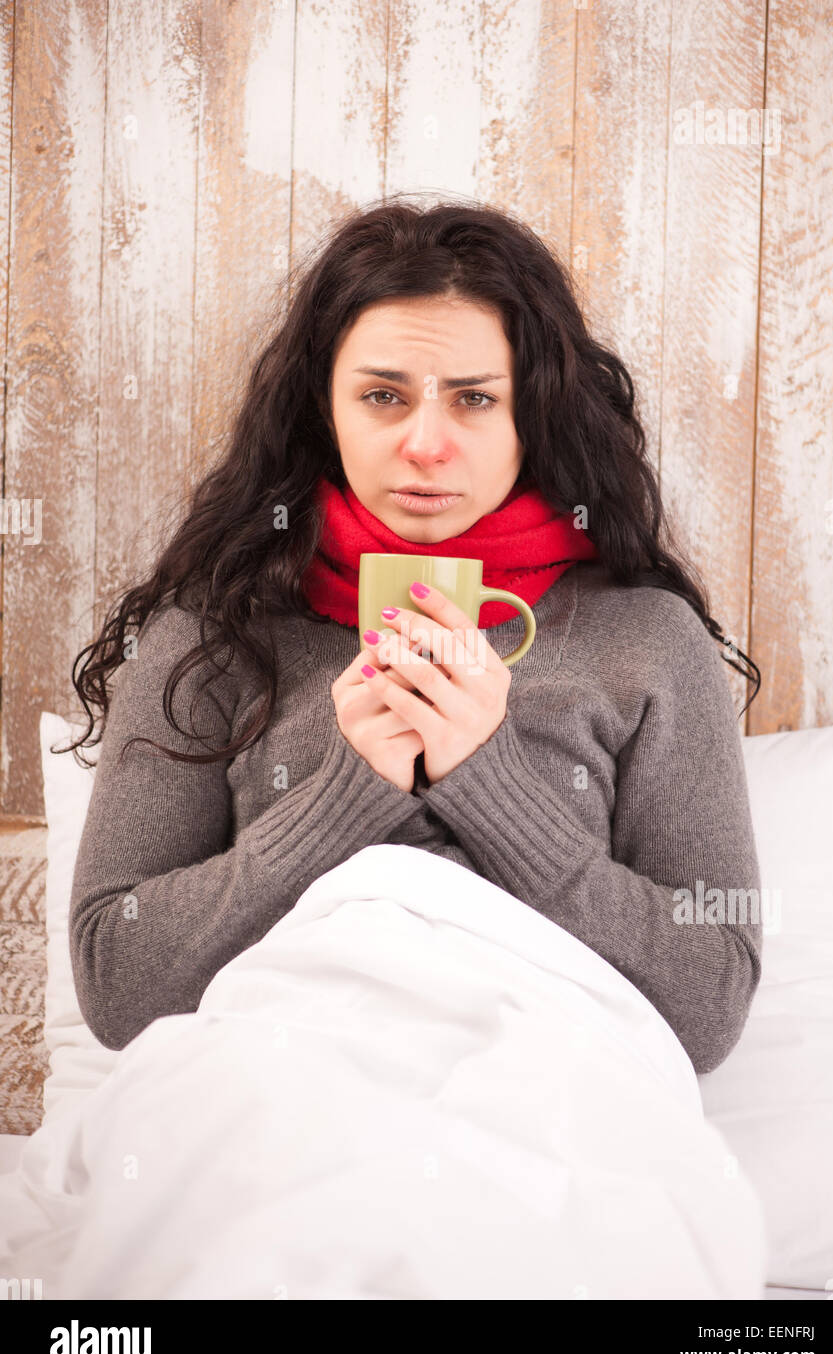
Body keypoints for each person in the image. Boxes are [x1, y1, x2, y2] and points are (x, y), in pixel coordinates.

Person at [61, 198, 763, 1071]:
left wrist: (485, 778)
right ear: (325, 411)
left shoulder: (645, 638)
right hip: (269, 1110)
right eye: (383, 396)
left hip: (553, 1124)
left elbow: (708, 1007)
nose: (425, 444)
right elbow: (118, 988)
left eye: (474, 398)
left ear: (531, 415)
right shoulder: (215, 630)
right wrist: (345, 794)